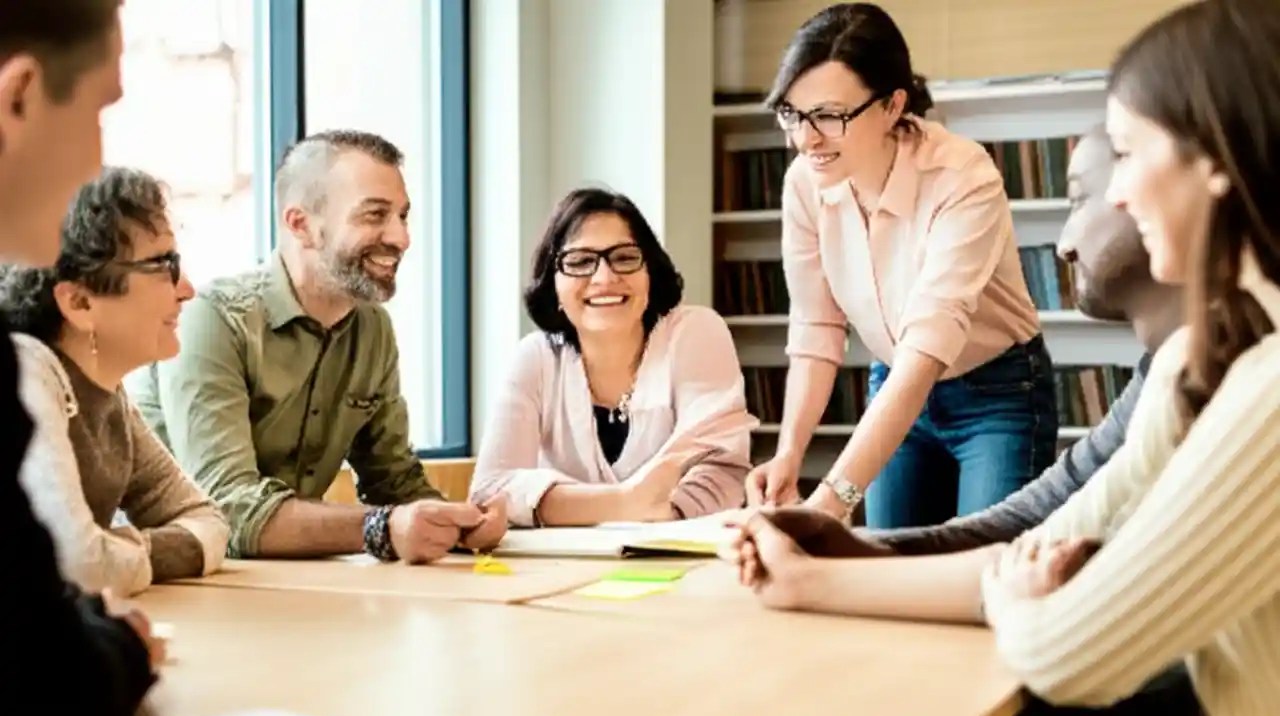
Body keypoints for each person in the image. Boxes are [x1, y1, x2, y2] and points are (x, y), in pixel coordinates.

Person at [746, 0, 1280, 716]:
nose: (1117, 196)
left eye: (1124, 155)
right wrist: (822, 560)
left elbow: (1070, 654)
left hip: (985, 384)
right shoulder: (1198, 358)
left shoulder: (1266, 388)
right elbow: (1047, 530)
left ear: (1215, 157)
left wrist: (840, 509)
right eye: (793, 115)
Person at [732, 128, 1198, 716]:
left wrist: (812, 575)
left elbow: (1090, 594)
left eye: (1080, 198)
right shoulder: (1161, 373)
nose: (1063, 245)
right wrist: (842, 546)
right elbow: (1040, 517)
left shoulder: (1230, 376)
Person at [746, 3, 1057, 529]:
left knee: (974, 575)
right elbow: (817, 326)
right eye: (792, 114)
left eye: (829, 115)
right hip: (890, 380)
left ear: (893, 105)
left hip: (996, 396)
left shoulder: (963, 176)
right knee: (886, 567)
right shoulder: (805, 181)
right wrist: (788, 455)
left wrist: (834, 497)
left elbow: (926, 349)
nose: (806, 138)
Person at [126, 130, 505, 561]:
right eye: (375, 215)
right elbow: (227, 510)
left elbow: (394, 482)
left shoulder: (372, 329)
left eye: (402, 215)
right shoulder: (211, 320)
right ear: (301, 224)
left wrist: (459, 525)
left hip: (290, 588)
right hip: (173, 585)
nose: (401, 237)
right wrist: (380, 528)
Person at [1, 1, 164, 716]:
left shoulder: (113, 396)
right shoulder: (24, 365)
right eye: (101, 109)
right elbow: (50, 674)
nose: (99, 159)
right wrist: (119, 646)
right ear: (19, 97)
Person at [0, 166, 229, 597]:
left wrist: (121, 549)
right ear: (80, 302)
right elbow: (77, 563)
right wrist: (121, 554)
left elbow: (207, 521)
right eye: (165, 264)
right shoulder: (27, 372)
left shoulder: (107, 391)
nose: (187, 289)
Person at [469, 188, 756, 526]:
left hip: (682, 561)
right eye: (579, 262)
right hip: (560, 568)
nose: (605, 278)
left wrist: (663, 512)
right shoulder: (537, 358)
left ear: (650, 271)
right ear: (553, 284)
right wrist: (627, 503)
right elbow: (488, 493)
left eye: (624, 257)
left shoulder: (695, 333)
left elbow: (721, 468)